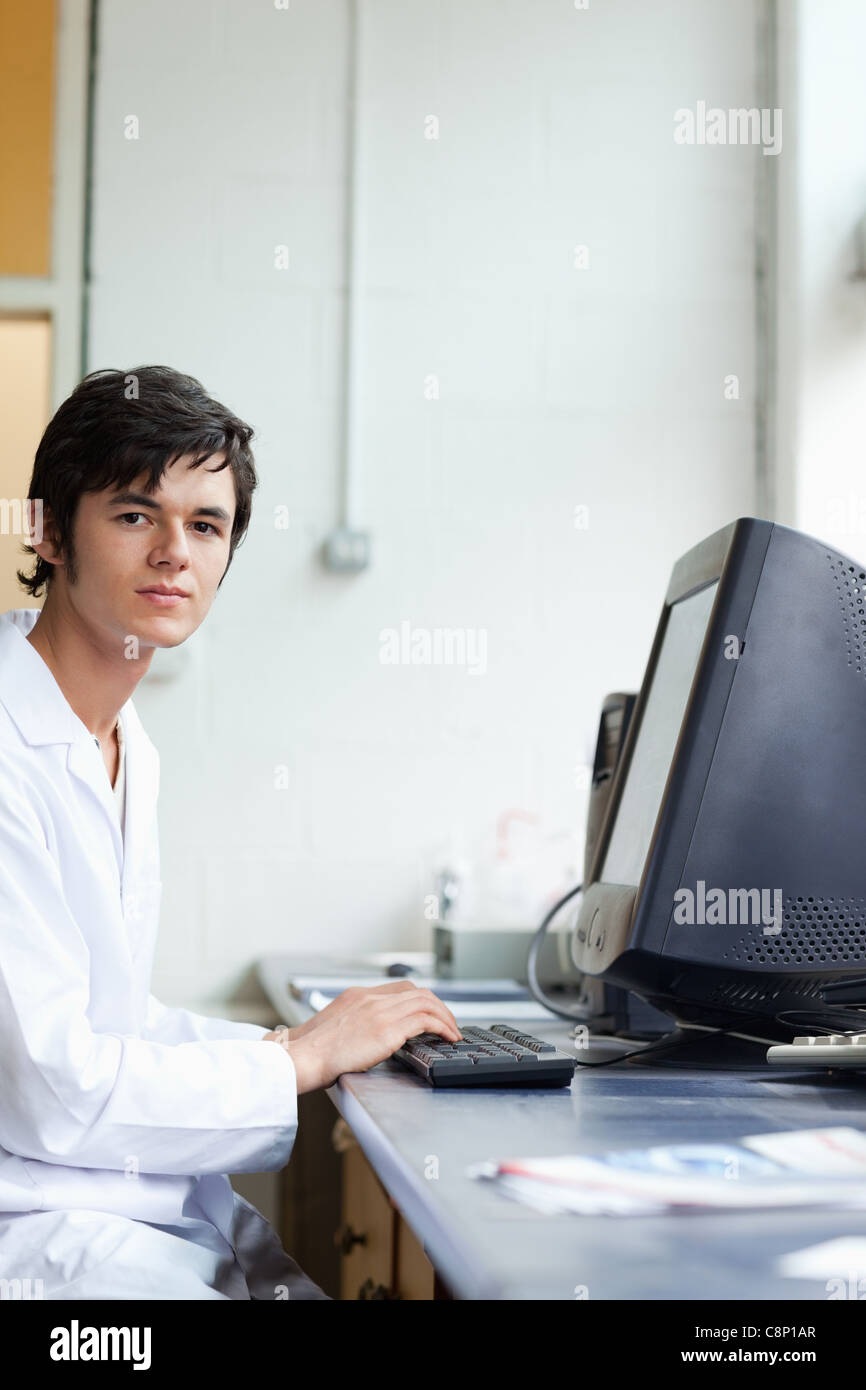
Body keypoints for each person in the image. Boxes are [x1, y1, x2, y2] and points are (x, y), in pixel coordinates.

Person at [0, 365, 462, 1300]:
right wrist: (297, 1059)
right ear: (46, 530)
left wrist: (298, 1044)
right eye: (135, 515)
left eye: (205, 525)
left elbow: (113, 1023)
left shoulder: (127, 742)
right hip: (40, 1228)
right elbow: (52, 1087)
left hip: (117, 1205)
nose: (176, 551)